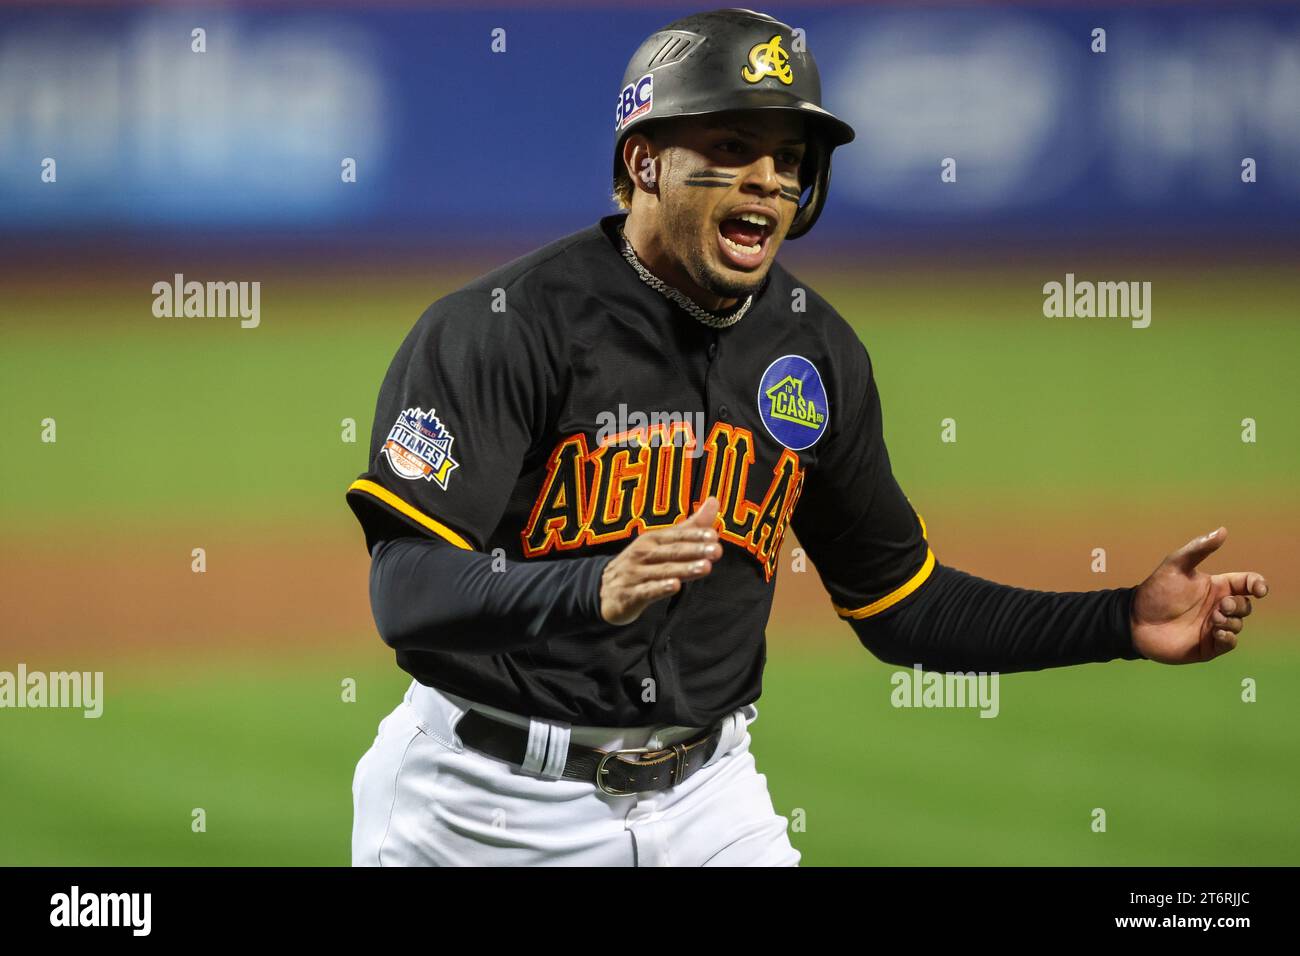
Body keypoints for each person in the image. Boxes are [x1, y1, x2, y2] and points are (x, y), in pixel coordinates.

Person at [344, 9, 1268, 867]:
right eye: (732, 147)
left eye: (788, 158)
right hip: (484, 804)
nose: (768, 181)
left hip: (708, 801)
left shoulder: (813, 353)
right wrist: (594, 586)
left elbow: (900, 603)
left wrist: (1119, 620)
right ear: (644, 162)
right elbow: (406, 588)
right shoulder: (505, 327)